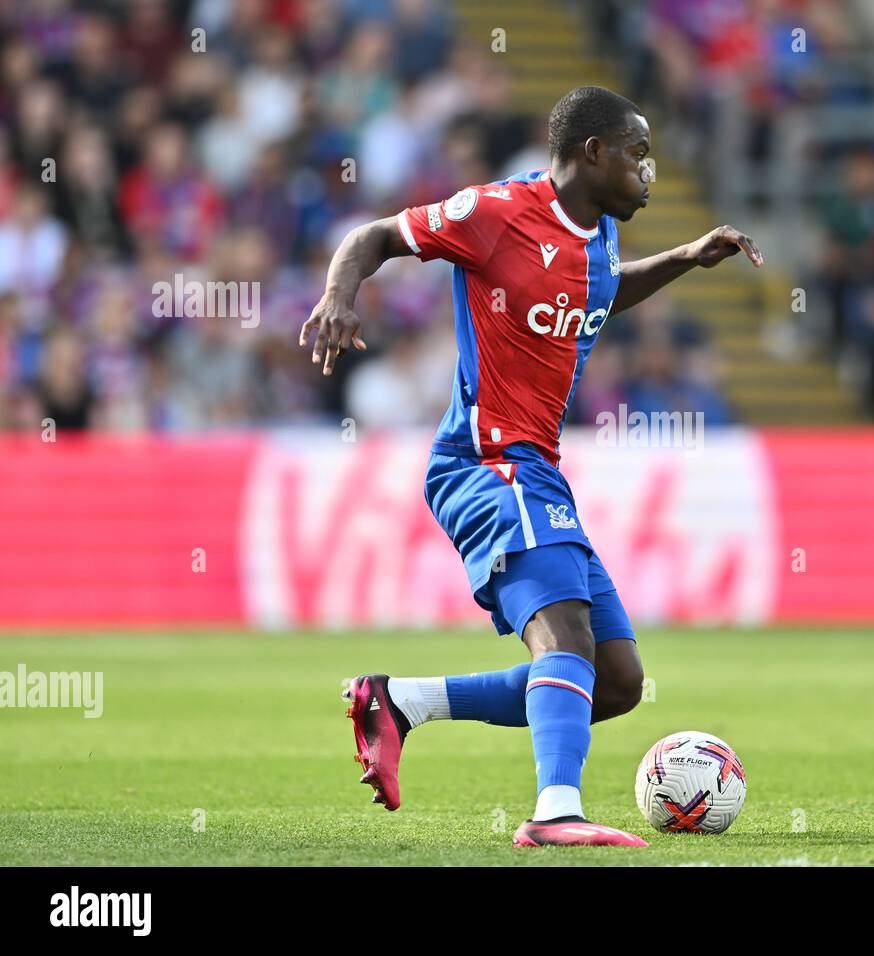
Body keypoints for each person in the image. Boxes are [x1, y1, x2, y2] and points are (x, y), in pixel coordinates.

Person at [298, 85, 762, 847]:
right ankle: (554, 812)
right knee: (566, 640)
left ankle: (398, 702)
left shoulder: (602, 235)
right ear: (592, 153)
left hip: (538, 469)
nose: (650, 171)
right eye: (638, 154)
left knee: (613, 681)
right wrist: (338, 295)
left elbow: (600, 295)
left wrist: (683, 258)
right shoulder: (496, 214)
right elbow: (375, 234)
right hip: (485, 461)